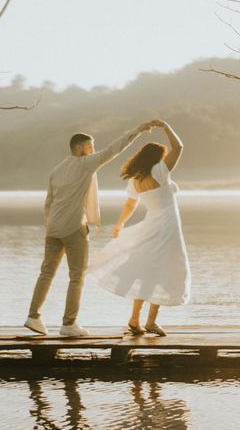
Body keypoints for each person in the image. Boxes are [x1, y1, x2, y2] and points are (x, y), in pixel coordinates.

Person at [25, 121, 155, 337]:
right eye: (90, 146)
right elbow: (115, 149)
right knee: (77, 276)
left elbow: (48, 202)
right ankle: (69, 324)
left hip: (53, 229)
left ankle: (33, 316)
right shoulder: (85, 164)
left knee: (46, 273)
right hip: (74, 228)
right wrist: (138, 130)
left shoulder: (56, 170)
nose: (94, 150)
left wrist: (51, 225)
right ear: (79, 148)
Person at [87, 119, 191, 336]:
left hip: (151, 225)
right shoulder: (160, 170)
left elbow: (130, 204)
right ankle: (149, 322)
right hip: (167, 227)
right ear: (157, 158)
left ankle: (136, 321)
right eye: (162, 156)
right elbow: (179, 147)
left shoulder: (136, 179)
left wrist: (120, 223)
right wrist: (166, 126)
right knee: (165, 269)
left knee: (148, 270)